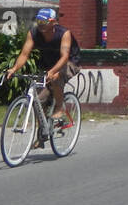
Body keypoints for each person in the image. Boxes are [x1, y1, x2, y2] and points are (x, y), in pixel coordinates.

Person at [5, 8, 80, 147]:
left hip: (69, 62)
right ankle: (43, 133)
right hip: (47, 65)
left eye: (44, 22)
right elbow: (24, 54)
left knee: (56, 78)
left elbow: (64, 57)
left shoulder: (64, 33)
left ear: (53, 22)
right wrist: (14, 68)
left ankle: (59, 108)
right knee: (38, 100)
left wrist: (53, 71)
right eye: (38, 21)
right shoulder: (33, 33)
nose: (40, 24)